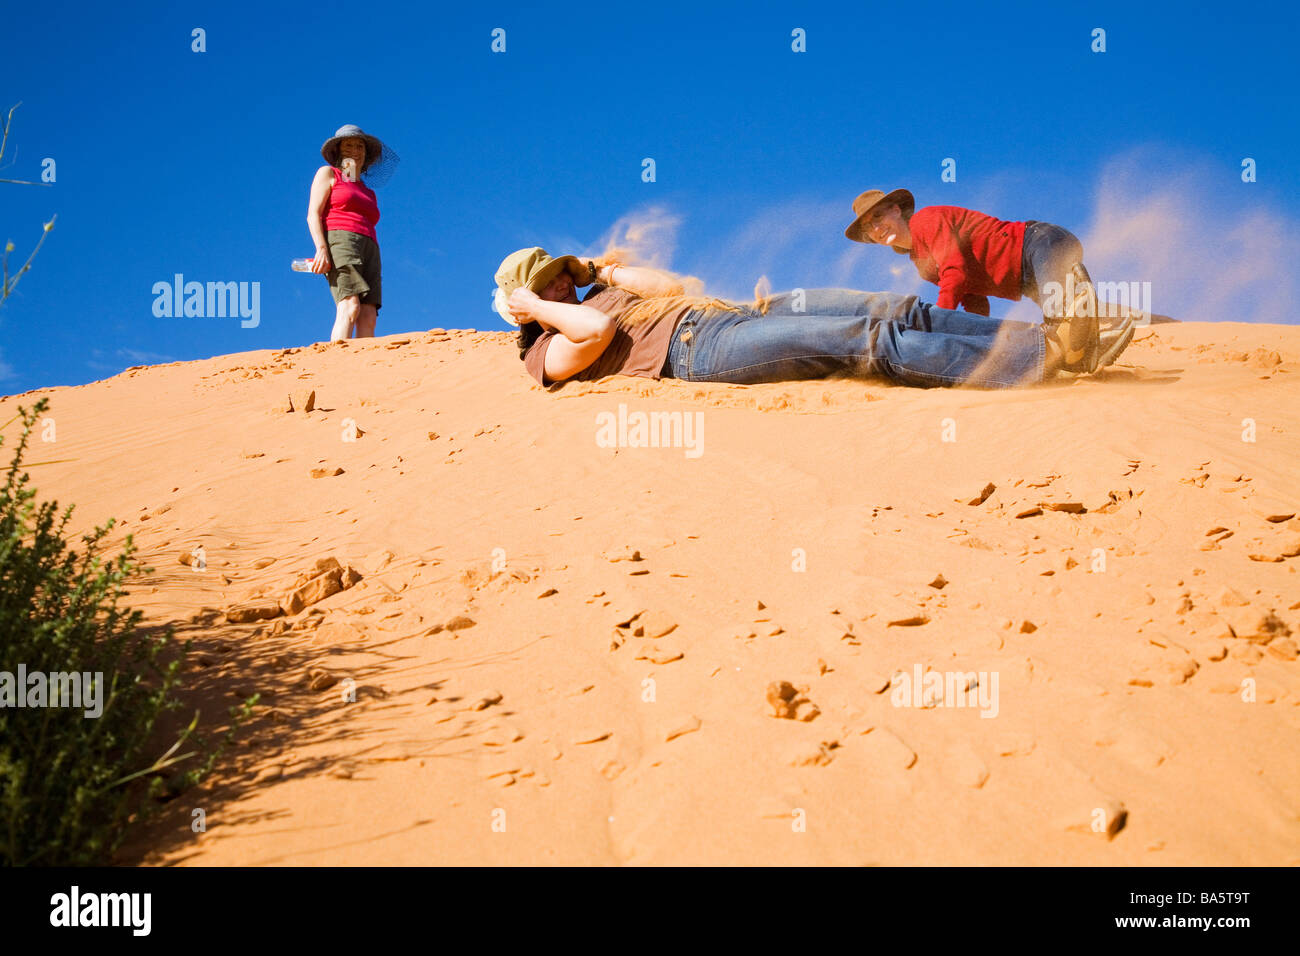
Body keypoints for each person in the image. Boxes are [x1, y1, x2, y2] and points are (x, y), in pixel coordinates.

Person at [493, 246, 1135, 390]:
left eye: (556, 273)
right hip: (698, 352)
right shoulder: (540, 353)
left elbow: (671, 285)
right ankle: (1044, 362)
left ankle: (1052, 336)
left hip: (733, 313)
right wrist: (536, 310)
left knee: (897, 307)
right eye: (541, 282)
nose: (556, 283)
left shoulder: (591, 293)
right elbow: (599, 336)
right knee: (863, 338)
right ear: (524, 303)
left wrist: (594, 273)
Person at [843, 188, 1134, 371]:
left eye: (879, 216)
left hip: (1038, 245)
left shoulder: (926, 221)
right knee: (1070, 352)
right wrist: (974, 332)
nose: (878, 228)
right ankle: (1103, 335)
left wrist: (938, 325)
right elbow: (973, 297)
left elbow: (954, 271)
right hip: (1024, 280)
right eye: (870, 228)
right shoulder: (921, 264)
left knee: (1059, 327)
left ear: (896, 209)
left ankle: (1108, 325)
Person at [306, 125, 398, 342]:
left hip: (370, 246)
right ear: (338, 150)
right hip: (341, 239)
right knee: (350, 305)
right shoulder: (328, 174)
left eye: (359, 146)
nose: (355, 150)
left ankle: (364, 368)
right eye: (348, 145)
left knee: (368, 314)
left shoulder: (368, 191)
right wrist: (321, 248)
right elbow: (313, 214)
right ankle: (337, 363)